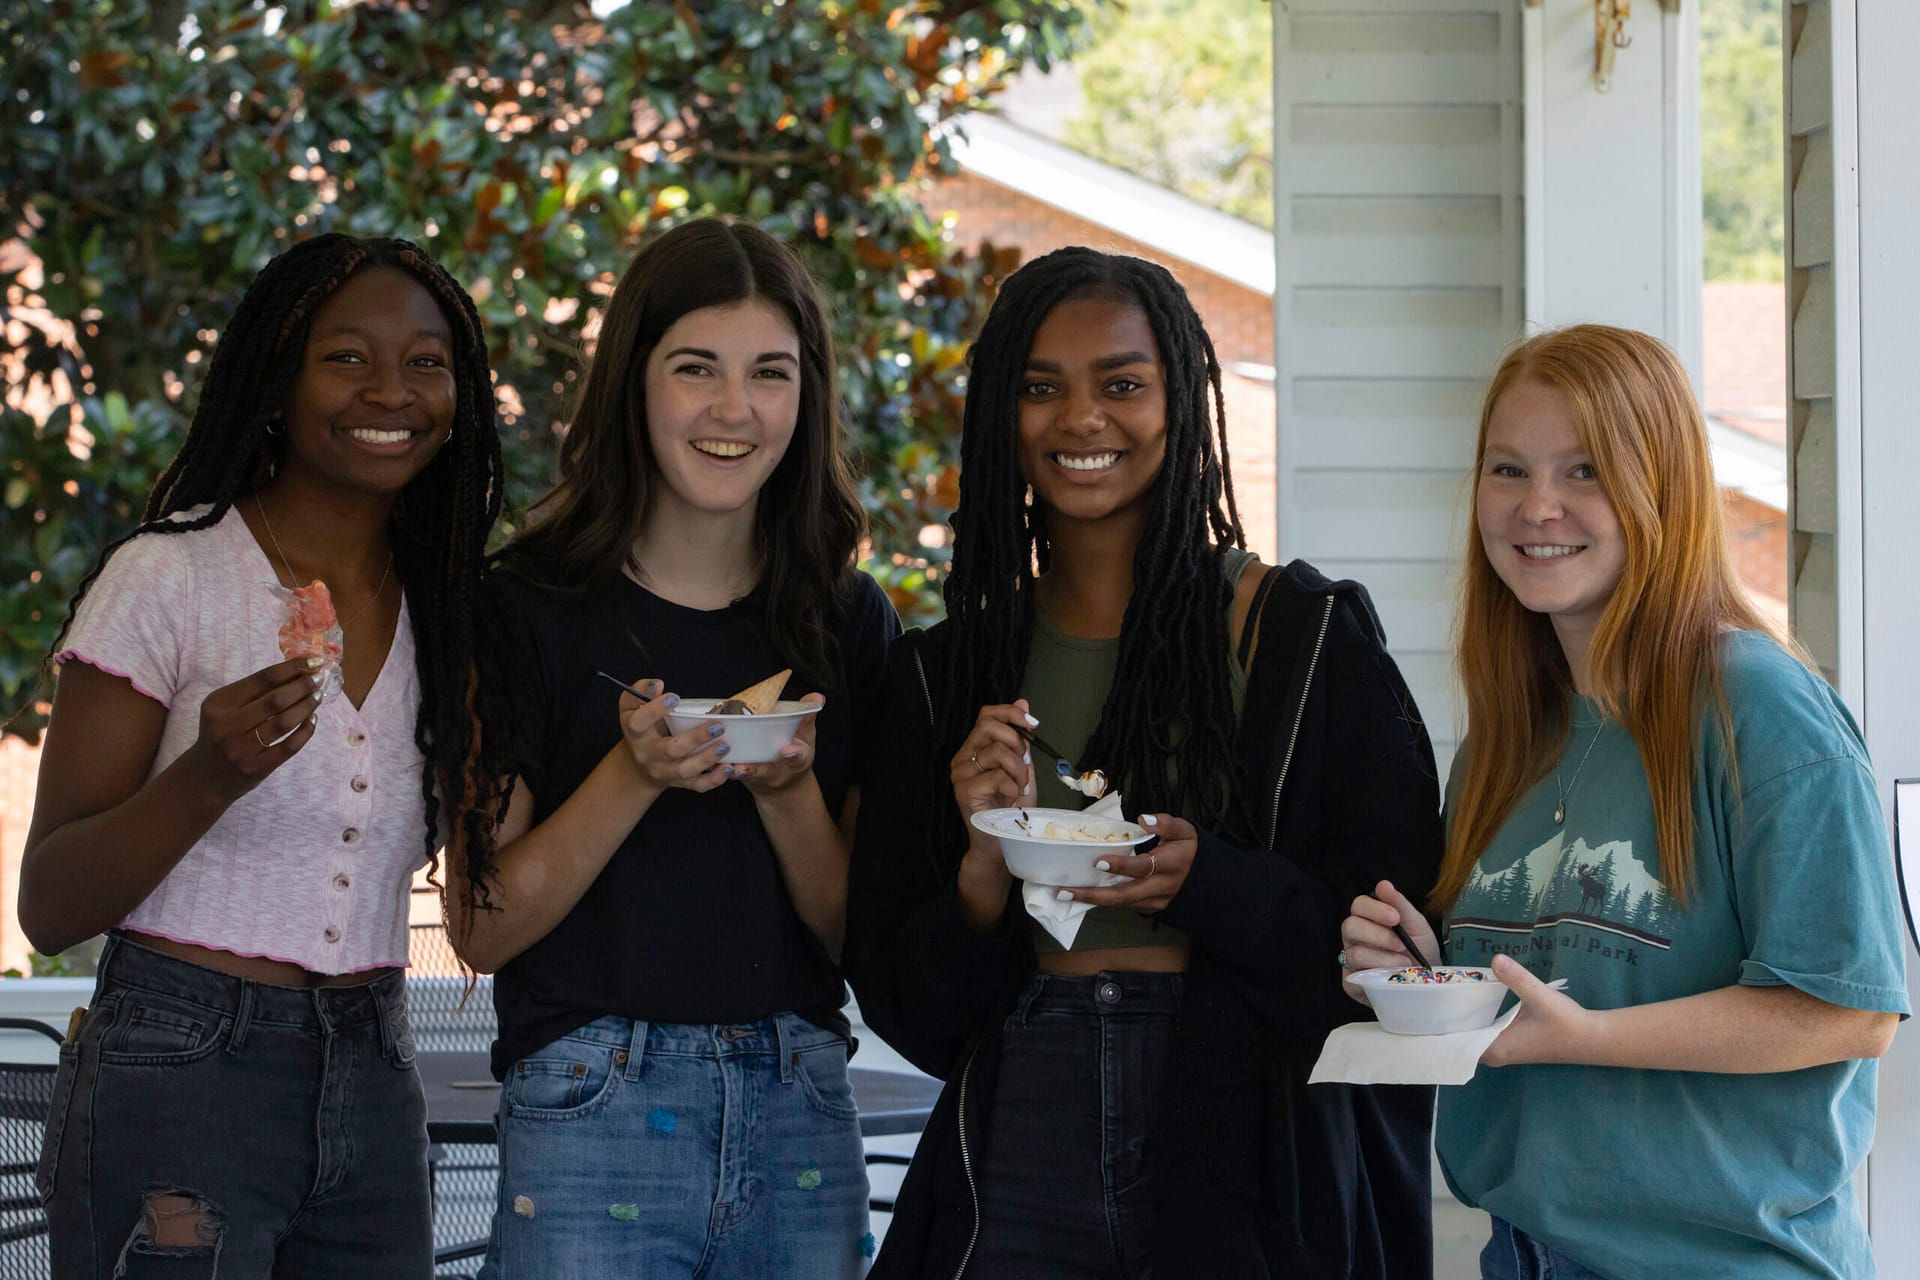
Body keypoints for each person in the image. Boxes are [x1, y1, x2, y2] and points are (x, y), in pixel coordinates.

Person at [845, 246, 1444, 1279]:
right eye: (1041, 387)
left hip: (1241, 1121)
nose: (1083, 419)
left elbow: (1400, 929)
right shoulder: (944, 676)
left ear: (1180, 399)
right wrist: (985, 868)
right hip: (1024, 1118)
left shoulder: (1298, 639)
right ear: (1002, 414)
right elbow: (916, 1012)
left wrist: (1210, 882)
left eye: (1122, 383)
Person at [1340, 324, 1907, 1280]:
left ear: (1662, 489)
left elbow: (1847, 1011)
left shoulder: (1759, 709)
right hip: (1524, 1254)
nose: (1538, 507)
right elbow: (1540, 987)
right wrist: (1424, 968)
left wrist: (1593, 1040)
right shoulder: (1506, 738)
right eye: (1508, 470)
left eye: (1587, 471)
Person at [21, 234, 504, 1276]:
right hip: (179, 1065)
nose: (393, 389)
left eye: (428, 361)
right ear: (277, 381)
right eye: (346, 357)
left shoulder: (454, 609)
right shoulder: (170, 577)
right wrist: (208, 775)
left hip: (377, 1068)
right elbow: (49, 904)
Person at [454, 218, 896, 1278]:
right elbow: (479, 923)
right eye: (695, 368)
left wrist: (788, 793)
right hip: (587, 1095)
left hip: (801, 1096)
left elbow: (860, 937)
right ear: (632, 382)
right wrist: (633, 772)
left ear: (809, 395)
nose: (733, 409)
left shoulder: (849, 620)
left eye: (770, 373)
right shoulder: (524, 608)